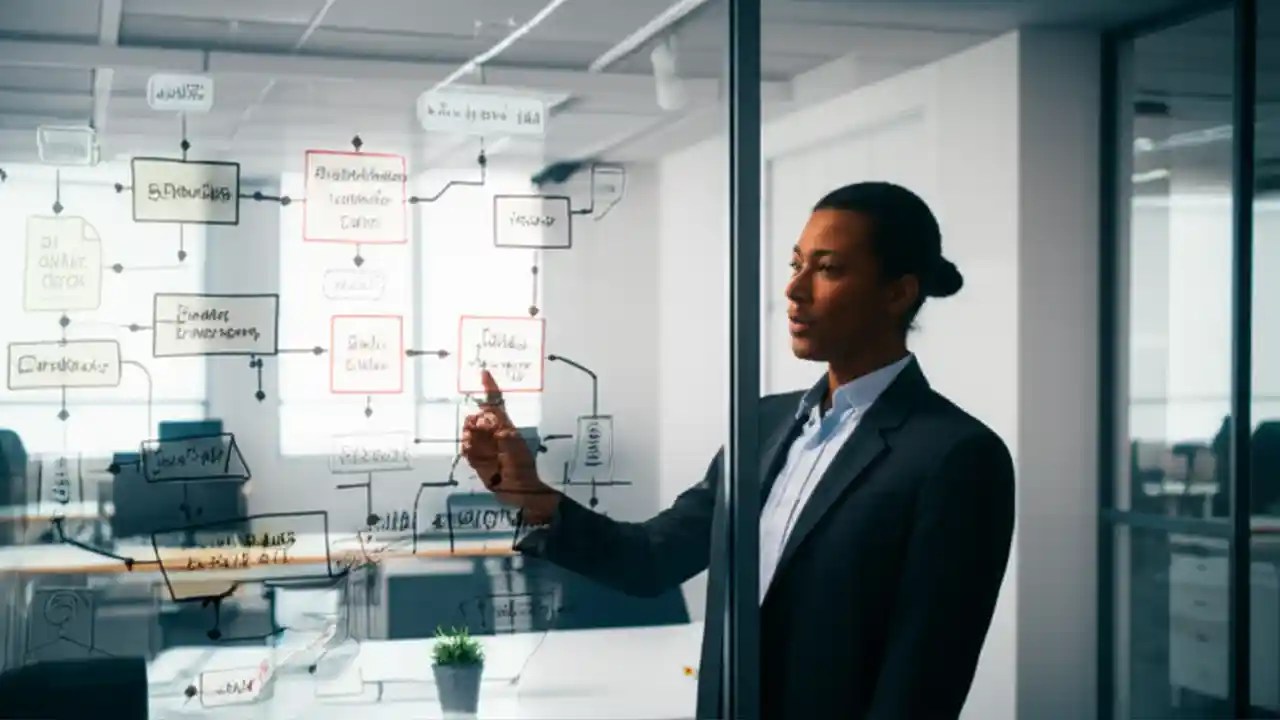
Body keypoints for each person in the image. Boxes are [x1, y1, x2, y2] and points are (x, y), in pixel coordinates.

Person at [461, 181, 1015, 719]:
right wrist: (527, 492)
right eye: (796, 264)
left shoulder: (957, 456)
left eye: (828, 269)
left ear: (898, 291)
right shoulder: (762, 423)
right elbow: (652, 558)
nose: (795, 290)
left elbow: (922, 685)